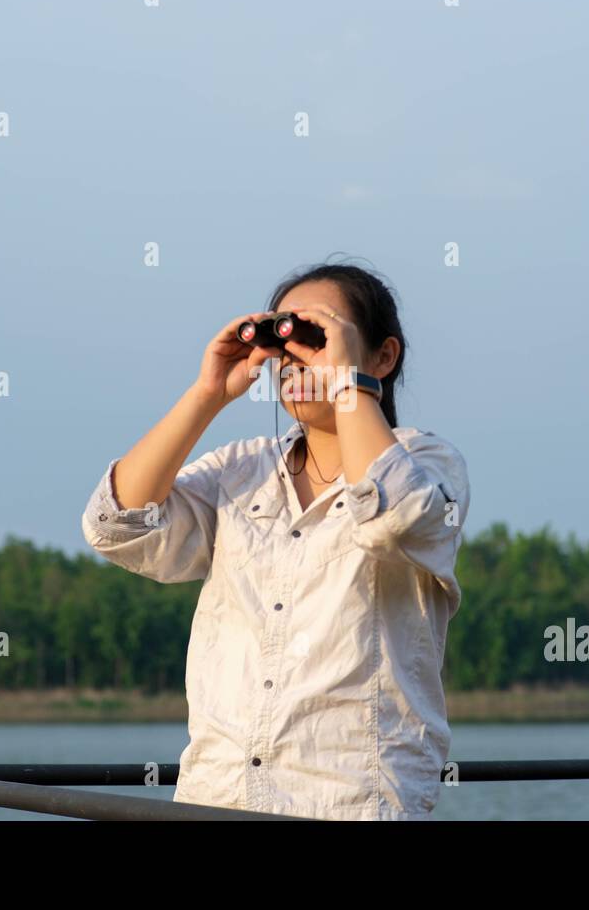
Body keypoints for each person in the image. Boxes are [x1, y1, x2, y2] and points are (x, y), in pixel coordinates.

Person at [81, 260, 470, 820]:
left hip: (350, 802)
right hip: (216, 800)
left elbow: (394, 517)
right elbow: (115, 527)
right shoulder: (240, 471)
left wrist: (346, 386)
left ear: (383, 356)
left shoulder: (430, 467)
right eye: (287, 341)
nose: (298, 359)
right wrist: (208, 393)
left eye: (320, 336)